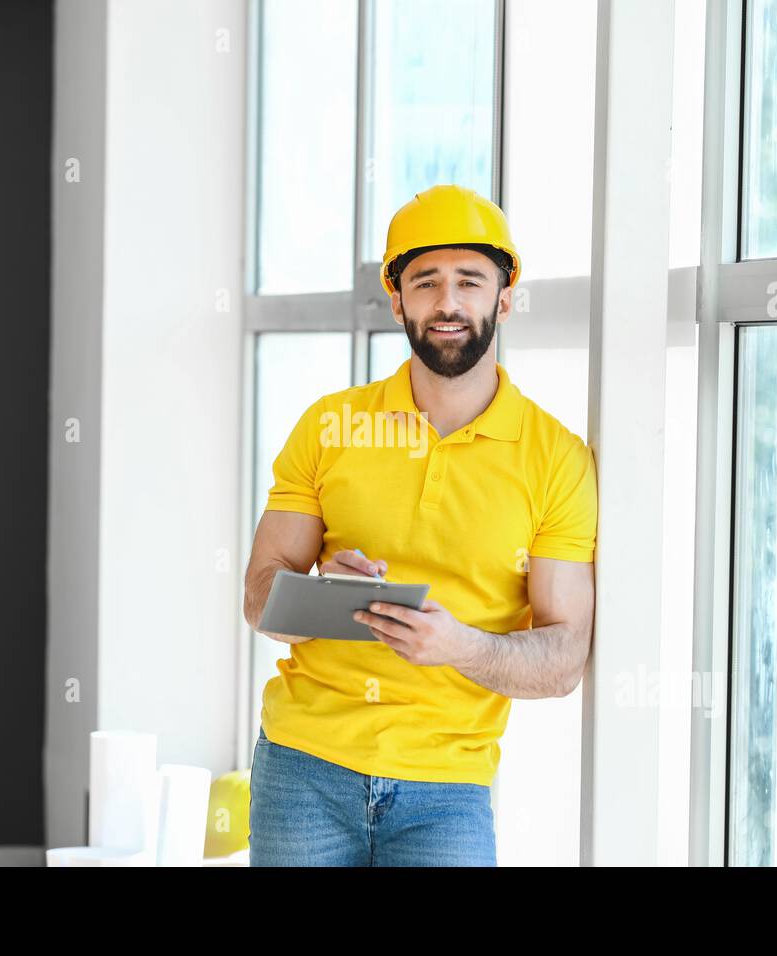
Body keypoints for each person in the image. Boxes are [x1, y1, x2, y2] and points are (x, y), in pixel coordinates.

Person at [241, 184, 598, 866]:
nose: (448, 302)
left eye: (470, 280)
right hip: (302, 767)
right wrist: (319, 598)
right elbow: (260, 598)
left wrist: (459, 646)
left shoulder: (557, 460)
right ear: (397, 298)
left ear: (504, 297)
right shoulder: (330, 426)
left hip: (448, 791)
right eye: (426, 281)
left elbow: (562, 662)